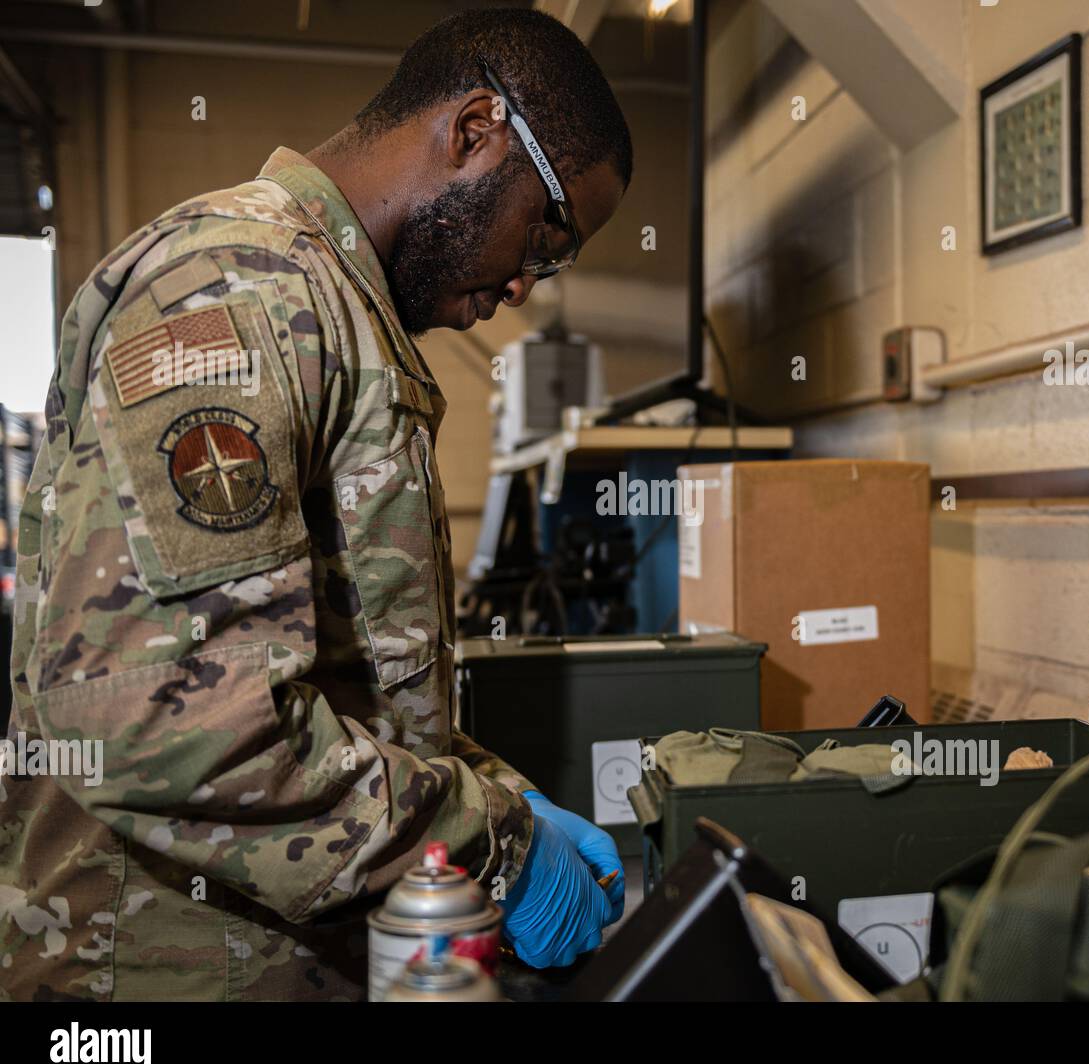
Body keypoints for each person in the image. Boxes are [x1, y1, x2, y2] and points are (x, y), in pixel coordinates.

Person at [0, 8, 632, 1001]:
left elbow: (342, 682)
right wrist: (493, 840)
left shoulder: (342, 316)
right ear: (476, 129)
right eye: (547, 236)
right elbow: (171, 729)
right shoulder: (233, 293)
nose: (525, 281)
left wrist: (498, 793)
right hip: (157, 978)